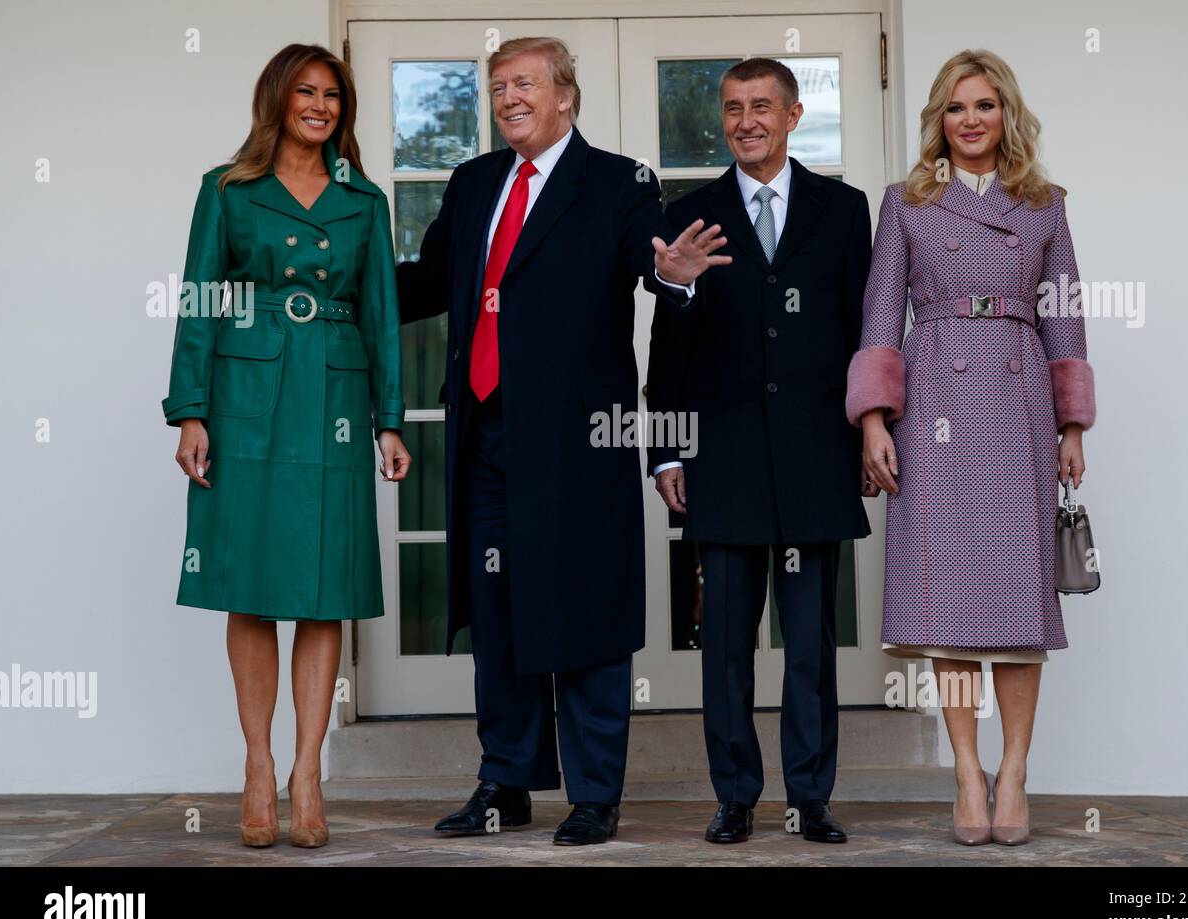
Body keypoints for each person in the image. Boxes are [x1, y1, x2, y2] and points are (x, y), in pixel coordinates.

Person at [396, 36, 730, 845]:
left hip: (581, 442)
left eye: (526, 84)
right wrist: (343, 281)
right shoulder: (474, 182)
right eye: (499, 85)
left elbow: (650, 260)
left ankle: (592, 794)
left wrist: (674, 276)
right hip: (487, 435)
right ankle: (505, 783)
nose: (509, 97)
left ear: (565, 96)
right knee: (499, 609)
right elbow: (429, 284)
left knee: (585, 607)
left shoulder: (617, 181)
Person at [162, 44, 410, 850]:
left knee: (322, 586)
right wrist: (190, 411)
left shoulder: (364, 200)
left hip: (334, 390)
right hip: (246, 395)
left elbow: (381, 313)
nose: (320, 105)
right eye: (305, 92)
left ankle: (308, 771)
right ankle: (258, 765)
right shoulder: (227, 191)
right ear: (278, 100)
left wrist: (389, 419)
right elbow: (200, 298)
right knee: (253, 584)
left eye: (333, 94)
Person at [845, 49, 1095, 846]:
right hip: (936, 402)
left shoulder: (1045, 204)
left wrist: (1073, 424)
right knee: (950, 606)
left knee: (1017, 605)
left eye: (985, 105)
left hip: (1017, 399)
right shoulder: (908, 203)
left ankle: (1014, 771)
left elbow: (1064, 318)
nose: (971, 120)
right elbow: (882, 315)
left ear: (1006, 114)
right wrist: (875, 419)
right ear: (939, 120)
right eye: (956, 108)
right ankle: (964, 770)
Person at [646, 58, 871, 844]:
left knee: (810, 644)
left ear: (793, 113)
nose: (747, 120)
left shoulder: (843, 211)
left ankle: (810, 798)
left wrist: (871, 430)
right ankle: (735, 797)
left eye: (762, 106)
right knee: (728, 648)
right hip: (725, 460)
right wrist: (667, 452)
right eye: (734, 108)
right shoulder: (692, 211)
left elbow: (863, 335)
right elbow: (667, 347)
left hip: (815, 458)